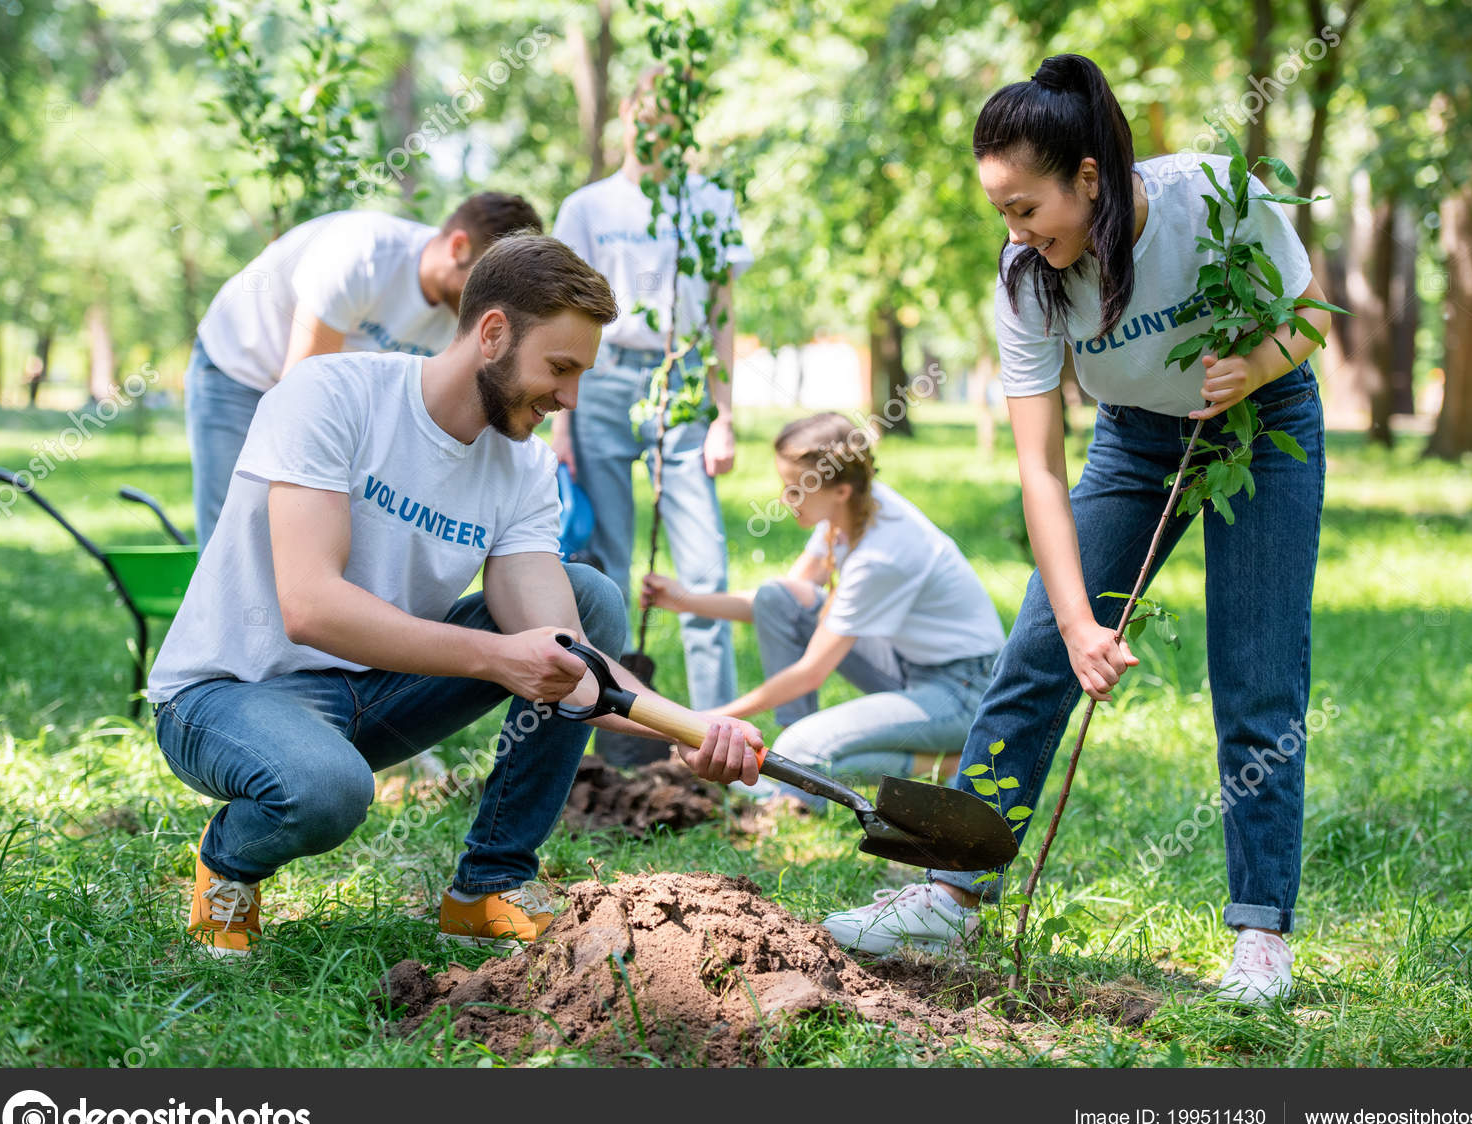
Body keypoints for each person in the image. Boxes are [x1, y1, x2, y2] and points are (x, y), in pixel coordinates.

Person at [823, 55, 1331, 1008]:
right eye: (1001, 212)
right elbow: (1040, 470)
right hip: (1136, 442)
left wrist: (1256, 368)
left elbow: (1311, 315)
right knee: (1030, 658)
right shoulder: (1028, 281)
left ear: (1088, 178)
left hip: (1263, 430)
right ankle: (947, 888)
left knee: (1257, 670)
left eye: (1025, 208)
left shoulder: (1213, 199)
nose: (1015, 232)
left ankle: (1262, 936)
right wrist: (1077, 623)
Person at [148, 234, 762, 958]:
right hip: (227, 696)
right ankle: (228, 866)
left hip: (374, 697)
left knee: (588, 595)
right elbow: (309, 605)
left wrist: (690, 731)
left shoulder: (524, 467)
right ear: (493, 333)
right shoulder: (332, 393)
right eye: (560, 368)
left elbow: (570, 655)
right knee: (325, 790)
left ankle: (489, 888)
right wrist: (497, 658)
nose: (568, 399)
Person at [642, 412, 1004, 801]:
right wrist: (685, 601)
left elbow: (810, 673)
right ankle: (790, 766)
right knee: (777, 597)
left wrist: (706, 723)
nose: (785, 500)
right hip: (907, 666)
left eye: (795, 489)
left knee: (803, 751)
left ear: (840, 489)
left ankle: (946, 763)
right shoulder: (849, 510)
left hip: (964, 691)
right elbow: (781, 599)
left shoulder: (883, 553)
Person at [551, 69, 751, 710]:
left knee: (702, 566)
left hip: (684, 378)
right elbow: (562, 310)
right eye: (647, 112)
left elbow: (722, 312)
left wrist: (724, 414)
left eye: (674, 116)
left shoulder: (711, 202)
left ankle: (713, 729)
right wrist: (561, 420)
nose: (657, 127)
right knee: (602, 562)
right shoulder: (588, 207)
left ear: (687, 125)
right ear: (628, 114)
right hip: (601, 379)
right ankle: (598, 716)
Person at [186, 193, 542, 548]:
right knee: (237, 529)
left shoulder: (467, 315)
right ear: (459, 247)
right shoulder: (365, 253)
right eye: (489, 282)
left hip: (318, 390)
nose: (493, 303)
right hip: (239, 367)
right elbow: (298, 389)